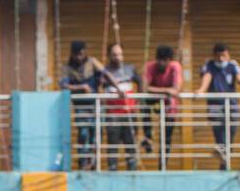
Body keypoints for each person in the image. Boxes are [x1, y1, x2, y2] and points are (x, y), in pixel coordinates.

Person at [198, 43, 240, 170]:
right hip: (215, 105)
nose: (221, 59)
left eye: (224, 55)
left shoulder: (232, 65)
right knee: (219, 132)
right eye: (218, 56)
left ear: (228, 55)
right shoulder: (209, 65)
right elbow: (206, 77)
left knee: (231, 131)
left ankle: (224, 160)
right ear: (214, 55)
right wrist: (201, 90)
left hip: (231, 105)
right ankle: (224, 160)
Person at [61, 40, 104, 170]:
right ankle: (83, 165)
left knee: (96, 137)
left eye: (81, 54)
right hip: (81, 107)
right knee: (83, 135)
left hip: (95, 106)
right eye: (76, 54)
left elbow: (106, 74)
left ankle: (94, 165)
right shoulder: (68, 68)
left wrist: (116, 88)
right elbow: (63, 85)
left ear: (85, 52)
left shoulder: (92, 62)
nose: (79, 57)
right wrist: (82, 87)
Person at [99, 43, 141, 172]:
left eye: (120, 54)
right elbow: (99, 89)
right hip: (113, 115)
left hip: (129, 113)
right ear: (109, 56)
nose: (118, 57)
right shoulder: (105, 72)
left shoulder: (130, 69)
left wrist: (138, 101)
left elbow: (141, 82)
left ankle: (132, 172)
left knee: (131, 145)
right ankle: (112, 171)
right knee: (113, 145)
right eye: (114, 54)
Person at [141, 45, 183, 164]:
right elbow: (144, 88)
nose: (161, 63)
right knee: (144, 103)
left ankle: (162, 164)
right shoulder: (150, 66)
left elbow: (176, 90)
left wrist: (155, 90)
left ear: (170, 60)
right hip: (154, 100)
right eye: (159, 59)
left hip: (169, 104)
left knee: (166, 137)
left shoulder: (175, 67)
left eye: (165, 60)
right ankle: (148, 136)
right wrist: (166, 90)